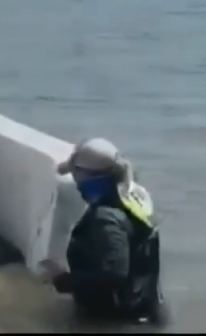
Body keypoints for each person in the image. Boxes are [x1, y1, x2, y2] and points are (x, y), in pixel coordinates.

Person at [42, 138, 166, 326]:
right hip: (144, 311)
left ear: (91, 177)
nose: (76, 182)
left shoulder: (104, 218)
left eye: (77, 175)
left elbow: (114, 274)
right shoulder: (135, 199)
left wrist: (63, 279)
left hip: (115, 321)